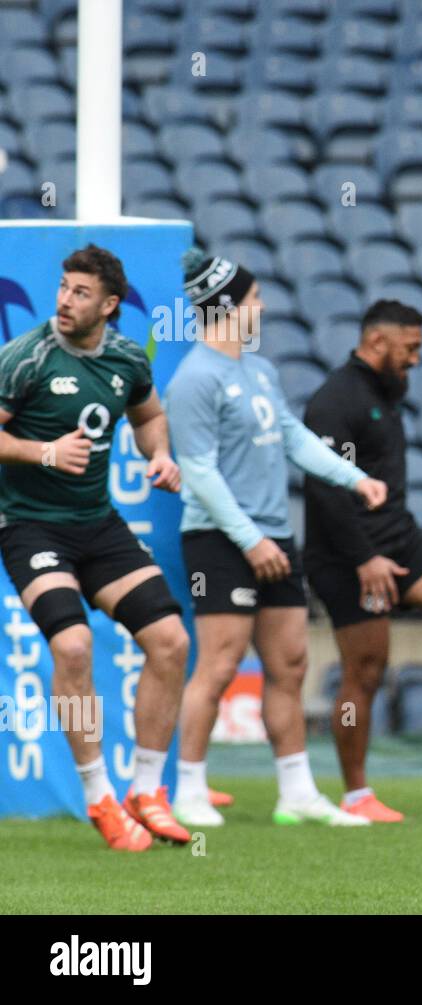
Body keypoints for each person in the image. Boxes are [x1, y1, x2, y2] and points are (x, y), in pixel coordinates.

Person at [166, 249, 388, 828]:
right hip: (220, 539)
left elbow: (294, 437)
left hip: (274, 537)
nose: (262, 307)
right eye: (255, 297)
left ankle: (296, 792)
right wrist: (248, 540)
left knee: (289, 662)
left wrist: (354, 478)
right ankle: (188, 789)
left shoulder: (259, 370)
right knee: (219, 665)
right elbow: (199, 472)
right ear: (229, 306)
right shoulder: (194, 379)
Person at [0, 244, 190, 851]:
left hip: (97, 525)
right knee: (74, 645)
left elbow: (148, 415)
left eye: (80, 292)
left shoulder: (127, 358)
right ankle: (99, 796)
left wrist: (161, 455)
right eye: (63, 287)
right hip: (29, 526)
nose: (64, 300)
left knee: (170, 641)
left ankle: (147, 791)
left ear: (109, 306)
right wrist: (45, 452)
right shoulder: (26, 357)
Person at [302, 300, 422, 822]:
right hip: (346, 557)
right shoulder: (334, 400)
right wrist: (365, 558)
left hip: (402, 541)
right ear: (377, 341)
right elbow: (323, 490)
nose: (416, 358)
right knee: (365, 671)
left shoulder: (388, 390)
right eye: (409, 348)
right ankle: (356, 794)